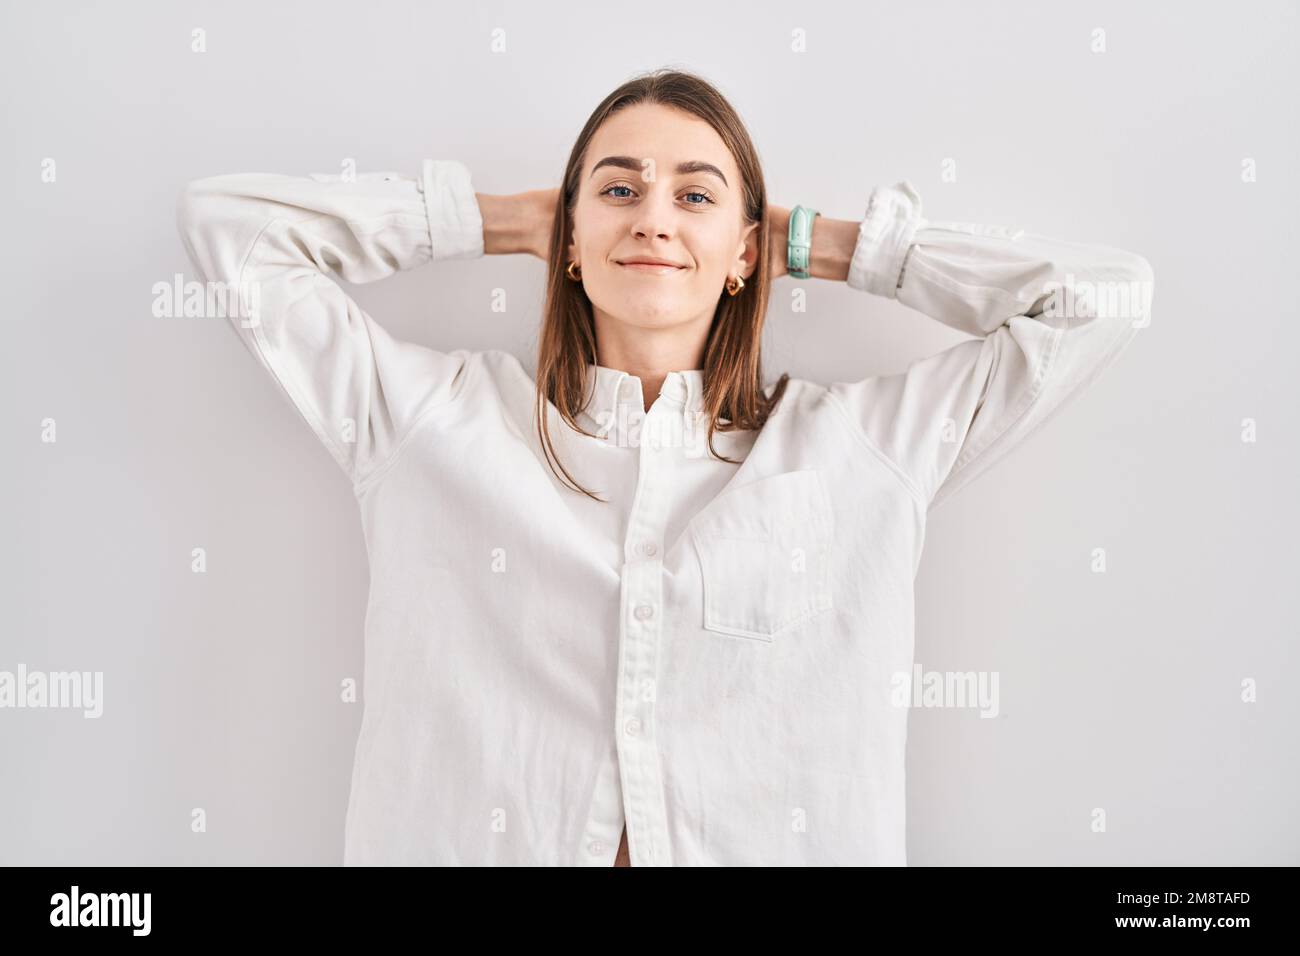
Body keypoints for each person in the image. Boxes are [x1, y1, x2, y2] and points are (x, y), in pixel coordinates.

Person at [175, 68, 1153, 866]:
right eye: (616, 189)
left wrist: (819, 245)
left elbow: (1102, 300)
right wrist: (501, 221)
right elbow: (230, 231)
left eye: (694, 193)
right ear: (569, 236)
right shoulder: (427, 421)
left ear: (743, 248)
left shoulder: (862, 448)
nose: (651, 217)